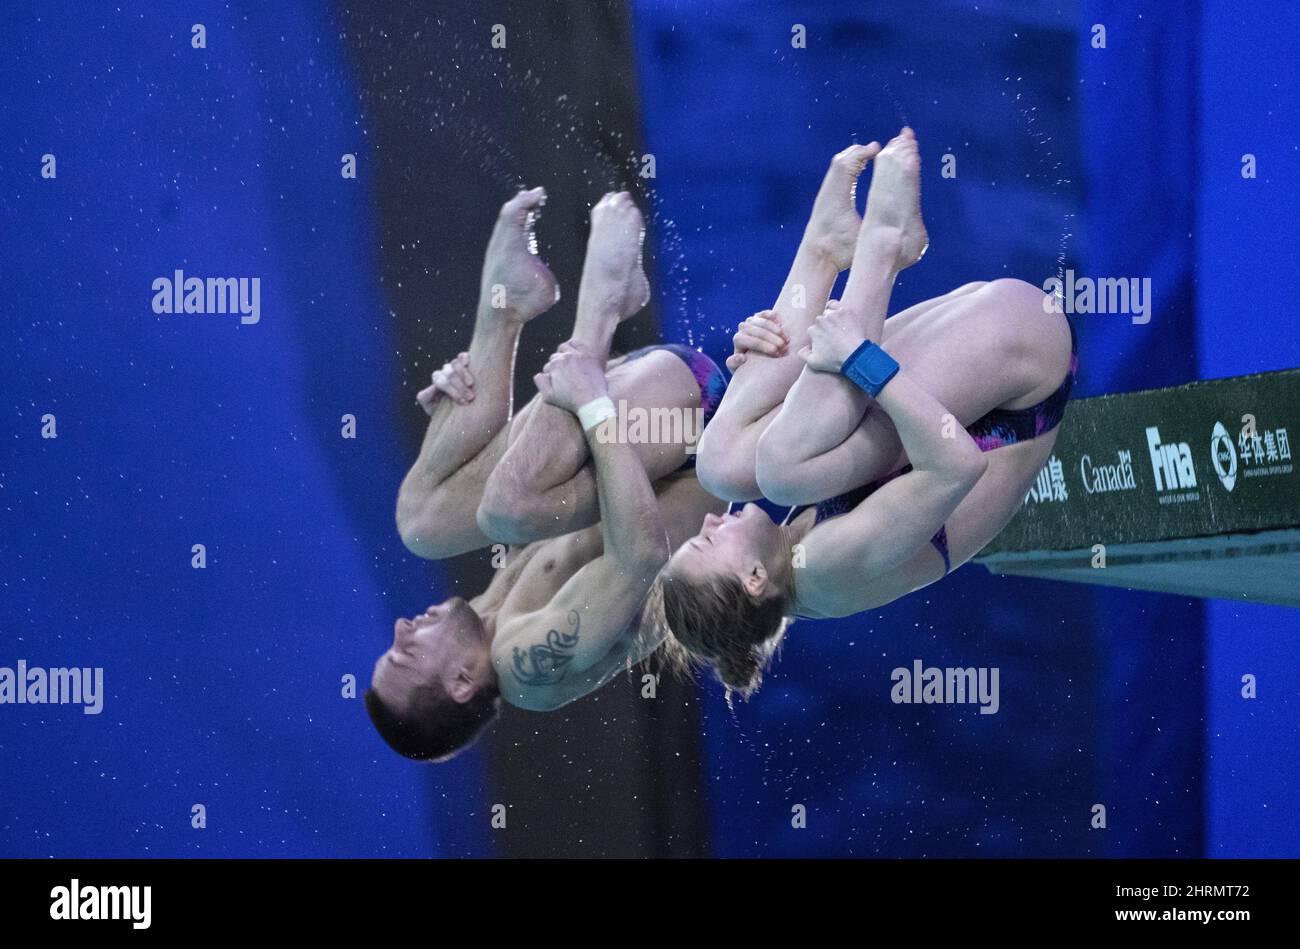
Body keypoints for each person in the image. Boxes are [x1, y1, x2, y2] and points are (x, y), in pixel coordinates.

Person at [659, 128, 1078, 696]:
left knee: (721, 464)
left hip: (981, 347)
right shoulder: (828, 572)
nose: (708, 521)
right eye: (707, 543)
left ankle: (828, 248)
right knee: (781, 467)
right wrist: (858, 359)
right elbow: (956, 465)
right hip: (1026, 361)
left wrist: (760, 360)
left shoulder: (790, 554)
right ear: (755, 580)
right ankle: (880, 247)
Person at [368, 189, 726, 761]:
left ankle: (507, 306)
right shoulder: (528, 667)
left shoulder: (488, 612)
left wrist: (450, 426)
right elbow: (642, 555)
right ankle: (601, 309)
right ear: (462, 683)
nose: (402, 629)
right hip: (697, 433)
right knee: (505, 509)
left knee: (421, 523)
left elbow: (554, 485)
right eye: (407, 653)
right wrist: (591, 402)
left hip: (629, 411)